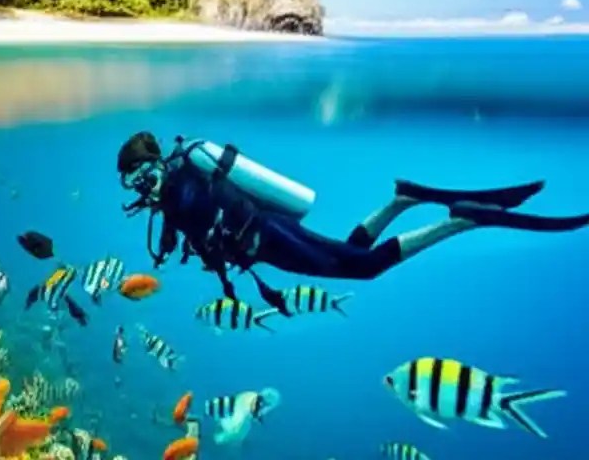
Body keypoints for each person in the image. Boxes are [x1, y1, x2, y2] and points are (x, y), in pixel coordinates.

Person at [116, 131, 589, 315]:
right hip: (269, 234)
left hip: (268, 237)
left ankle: (459, 222)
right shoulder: (174, 190)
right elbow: (185, 236)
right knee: (349, 253)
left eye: (141, 175)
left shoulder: (181, 186)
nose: (140, 187)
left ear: (157, 163)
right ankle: (401, 200)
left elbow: (204, 221)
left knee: (362, 267)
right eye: (131, 183)